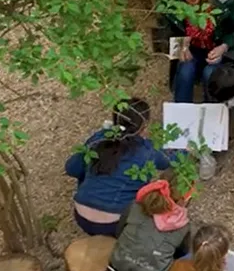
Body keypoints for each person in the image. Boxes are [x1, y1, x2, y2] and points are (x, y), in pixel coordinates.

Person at [65, 98, 171, 236]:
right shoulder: (147, 150)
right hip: (114, 223)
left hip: (81, 215)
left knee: (87, 169)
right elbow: (169, 161)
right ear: (144, 125)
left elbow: (71, 168)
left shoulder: (98, 139)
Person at [108, 178, 192, 271]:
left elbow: (119, 232)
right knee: (191, 256)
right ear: (183, 199)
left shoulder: (134, 206)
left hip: (119, 270)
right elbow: (181, 254)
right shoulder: (182, 226)